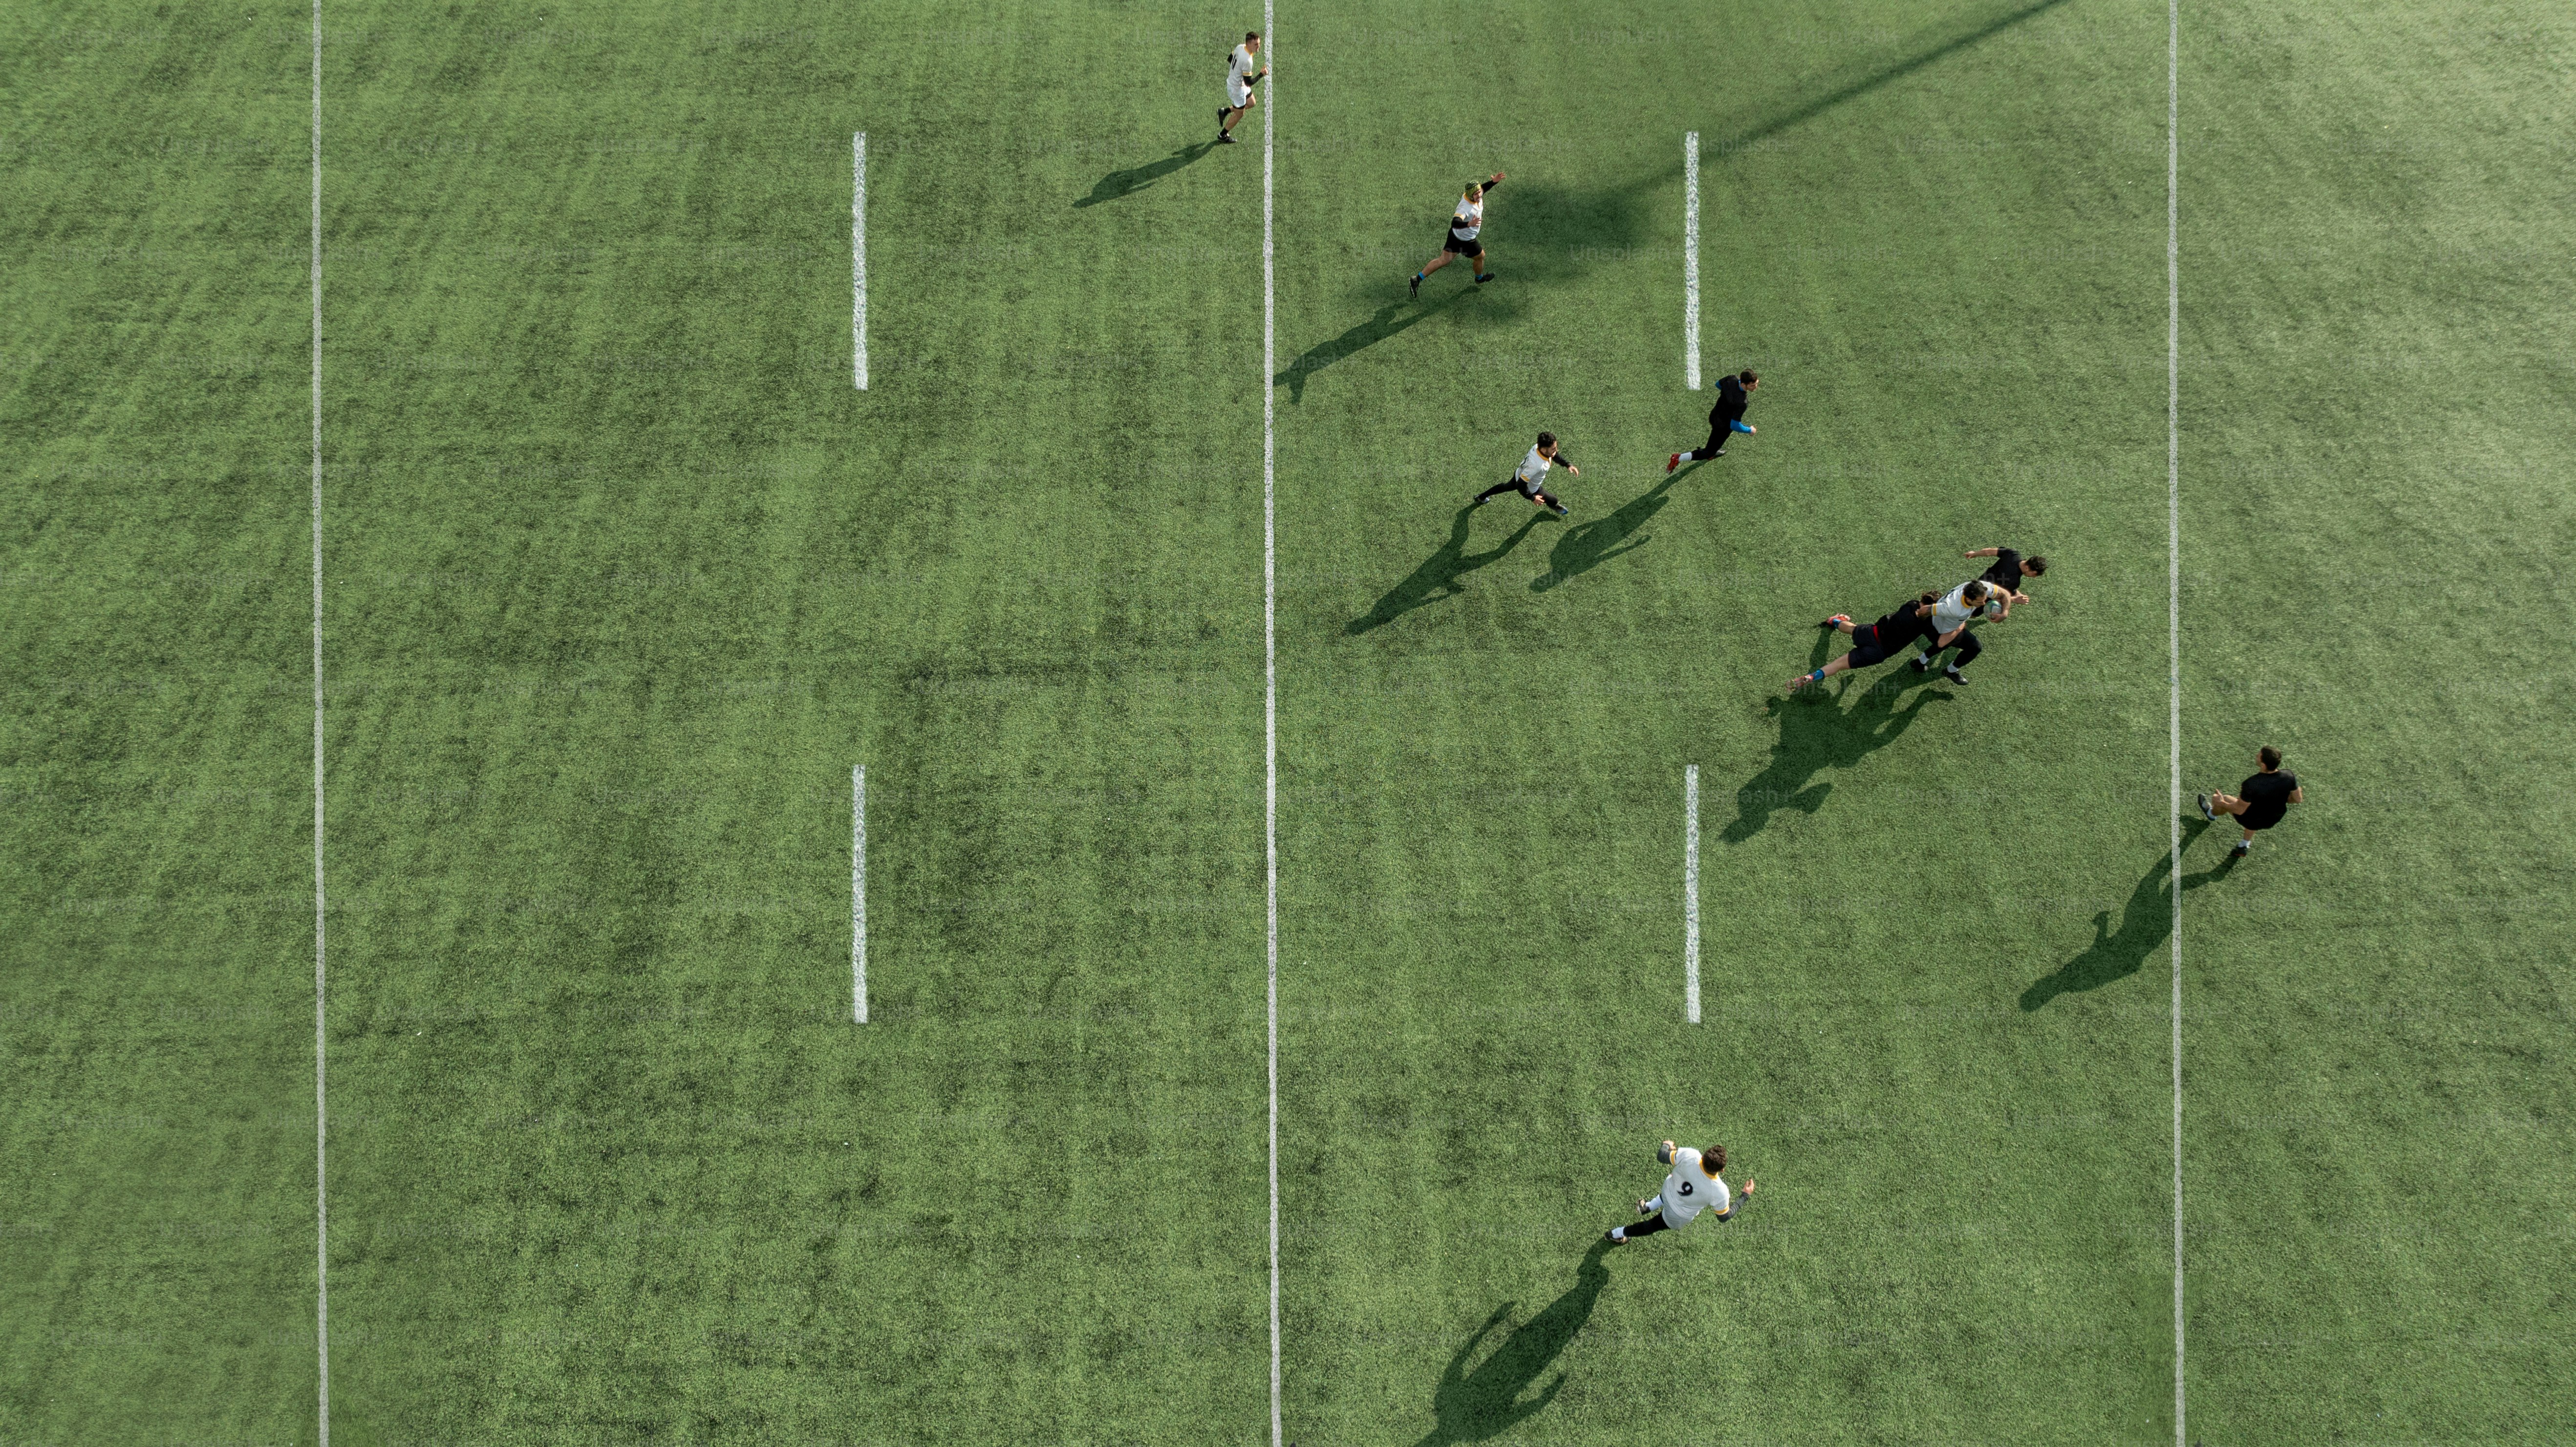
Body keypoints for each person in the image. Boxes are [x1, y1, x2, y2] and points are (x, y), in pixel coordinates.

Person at [1786, 592, 1941, 693]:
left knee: (1852, 629)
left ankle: (1834, 621)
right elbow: (1939, 640)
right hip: (1878, 653)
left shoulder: (1911, 605)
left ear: (1923, 598)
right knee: (1838, 665)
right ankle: (1812, 677)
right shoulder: (1928, 624)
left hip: (1871, 634)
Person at [1607, 1139, 1752, 1244]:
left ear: (1703, 1157)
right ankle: (1616, 1234)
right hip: (1678, 1215)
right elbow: (1724, 1218)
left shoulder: (1691, 1155)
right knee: (1652, 1226)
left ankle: (1648, 1207)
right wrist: (1745, 1196)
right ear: (1722, 1170)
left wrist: (1667, 1145)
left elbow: (1662, 1156)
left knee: (1672, 1189)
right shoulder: (1721, 1192)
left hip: (1668, 1190)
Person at [1411, 173, 1506, 296]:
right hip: (1466, 240)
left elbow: (1482, 189)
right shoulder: (1465, 207)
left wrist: (1493, 182)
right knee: (1481, 256)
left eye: (1479, 193)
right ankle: (1479, 278)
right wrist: (1469, 224)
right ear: (1471, 195)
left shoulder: (1474, 195)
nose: (1479, 195)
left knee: (1444, 260)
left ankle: (1416, 279)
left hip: (1455, 236)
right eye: (1476, 194)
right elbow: (1455, 222)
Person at [2200, 745, 2302, 855]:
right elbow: (2298, 799)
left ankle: (2211, 814)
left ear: (2263, 765)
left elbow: (2239, 810)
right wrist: (2277, 799)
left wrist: (2221, 803)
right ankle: (2244, 845)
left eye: (2259, 756)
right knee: (2258, 809)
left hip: (2251, 820)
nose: (2256, 756)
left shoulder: (2251, 784)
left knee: (2227, 799)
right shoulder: (2289, 776)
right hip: (2273, 819)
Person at [1909, 577, 1998, 684]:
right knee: (1975, 647)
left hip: (1948, 624)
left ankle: (1920, 662)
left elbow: (2003, 593)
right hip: (1941, 628)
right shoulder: (1952, 609)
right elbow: (1924, 611)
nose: (1984, 603)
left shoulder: (1975, 587)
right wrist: (1917, 620)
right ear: (1969, 600)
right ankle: (1951, 671)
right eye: (1980, 602)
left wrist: (2011, 601)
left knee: (1952, 637)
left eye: (1984, 600)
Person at [1667, 370, 1758, 471]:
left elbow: (1718, 385)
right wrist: (1750, 430)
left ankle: (1713, 450)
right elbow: (1734, 425)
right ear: (1743, 384)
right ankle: (1678, 458)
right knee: (1708, 452)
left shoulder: (1732, 379)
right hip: (1722, 427)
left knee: (1715, 443)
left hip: (1715, 415)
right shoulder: (1742, 402)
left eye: (1756, 384)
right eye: (1752, 386)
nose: (1755, 387)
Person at [1473, 430, 1577, 516]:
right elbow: (1521, 485)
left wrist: (1567, 465)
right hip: (1532, 487)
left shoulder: (1538, 447)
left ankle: (1481, 497)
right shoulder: (1536, 465)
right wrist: (1533, 498)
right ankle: (1554, 505)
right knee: (1554, 500)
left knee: (1506, 486)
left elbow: (1553, 455)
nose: (1556, 450)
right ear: (1544, 450)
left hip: (1519, 473)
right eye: (1553, 449)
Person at [1961, 546, 2047, 619]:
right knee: (1969, 615)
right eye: (2035, 574)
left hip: (1976, 587)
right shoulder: (2014, 582)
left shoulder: (2013, 554)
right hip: (1981, 602)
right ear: (2027, 568)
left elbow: (1989, 552)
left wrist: (1974, 554)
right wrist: (2015, 600)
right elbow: (1999, 596)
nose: (2035, 577)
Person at [1216, 32, 1267, 144]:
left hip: (1239, 84)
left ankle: (1225, 111)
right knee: (1240, 114)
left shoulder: (1240, 47)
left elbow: (1230, 59)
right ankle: (1223, 135)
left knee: (1252, 102)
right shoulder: (1248, 60)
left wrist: (1238, 72)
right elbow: (1249, 83)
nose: (1259, 46)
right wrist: (1261, 74)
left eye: (1259, 43)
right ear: (1248, 44)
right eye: (1256, 44)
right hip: (1237, 89)